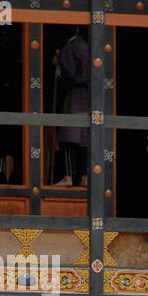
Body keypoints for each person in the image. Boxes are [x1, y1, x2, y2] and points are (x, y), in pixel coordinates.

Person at [52, 30, 88, 187]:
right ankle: (85, 177)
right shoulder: (88, 46)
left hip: (75, 94)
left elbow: (70, 71)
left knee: (69, 137)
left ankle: (68, 177)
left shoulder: (71, 46)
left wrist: (59, 58)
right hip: (90, 96)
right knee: (85, 138)